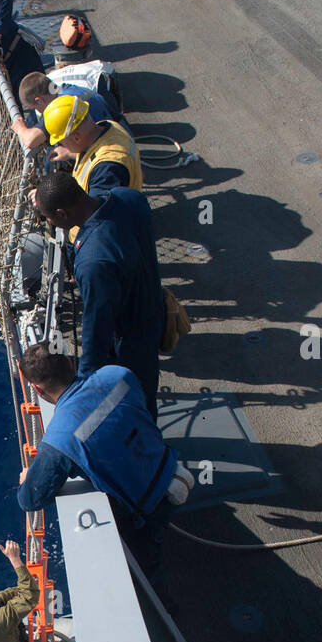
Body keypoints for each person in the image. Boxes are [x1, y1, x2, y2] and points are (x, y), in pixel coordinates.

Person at [16, 346, 193, 581]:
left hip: (148, 510)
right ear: (69, 363)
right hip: (171, 468)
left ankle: (166, 606)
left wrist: (28, 478)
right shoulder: (117, 374)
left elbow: (29, 499)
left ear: (37, 390)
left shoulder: (58, 440)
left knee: (149, 565)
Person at [32, 171, 165, 418]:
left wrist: (85, 381)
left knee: (134, 404)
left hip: (130, 337)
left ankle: (144, 449)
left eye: (50, 218)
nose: (51, 223)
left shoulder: (93, 261)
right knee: (146, 392)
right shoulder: (129, 198)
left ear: (62, 214)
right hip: (154, 307)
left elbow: (98, 323)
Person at [12, 71, 121, 158]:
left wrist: (19, 127)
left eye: (35, 108)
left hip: (107, 147)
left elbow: (31, 140)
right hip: (114, 129)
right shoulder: (65, 89)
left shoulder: (61, 106)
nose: (39, 112)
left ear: (39, 100)